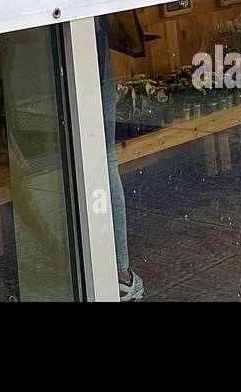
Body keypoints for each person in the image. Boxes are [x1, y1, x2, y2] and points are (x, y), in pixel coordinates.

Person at [95, 15, 143, 301]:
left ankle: (79, 263)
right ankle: (120, 274)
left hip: (41, 53)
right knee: (105, 158)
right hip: (89, 48)